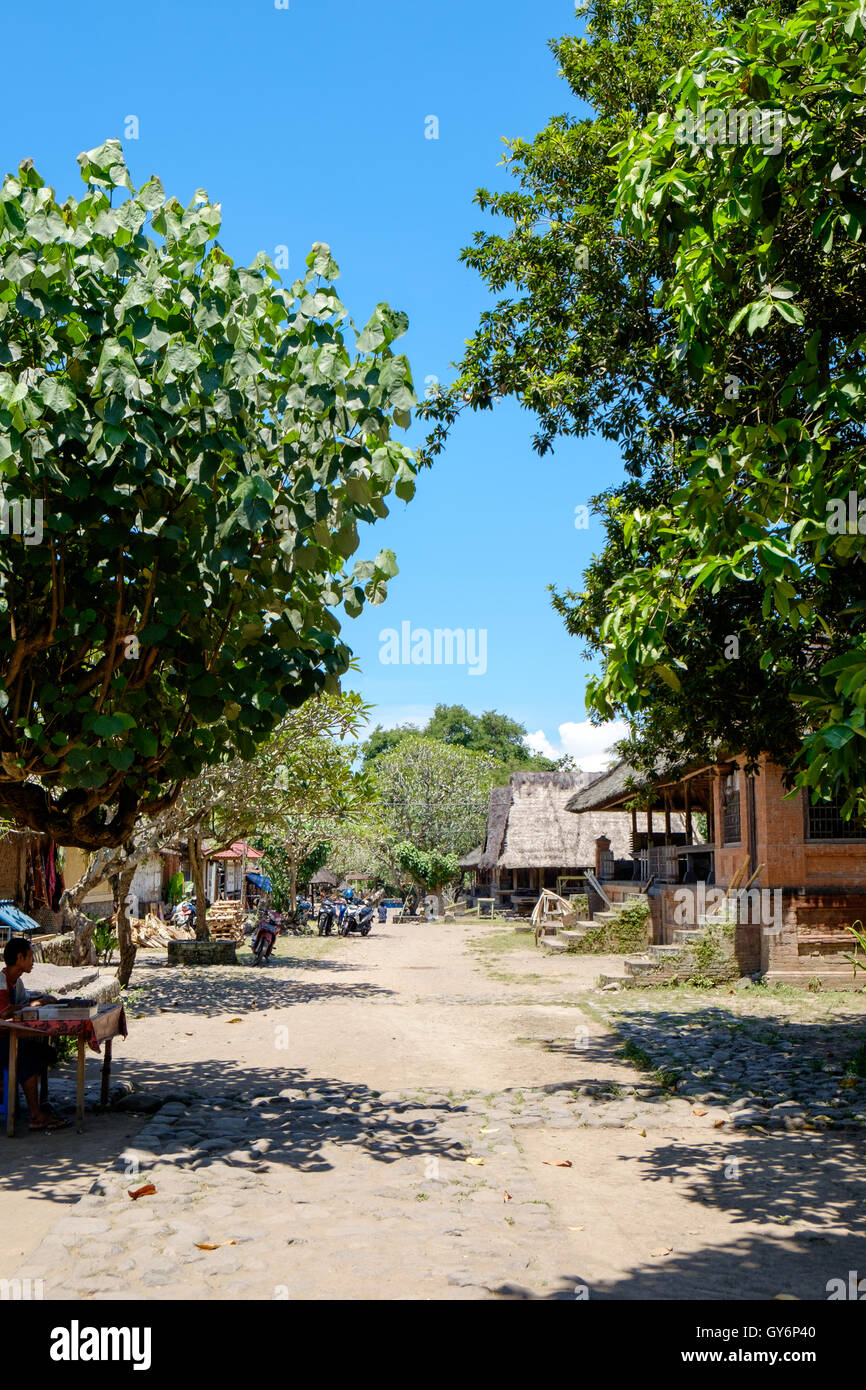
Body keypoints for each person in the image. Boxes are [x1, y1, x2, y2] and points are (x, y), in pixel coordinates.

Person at [0, 937, 68, 1131]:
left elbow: (25, 1000)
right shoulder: (1, 981)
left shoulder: (17, 983)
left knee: (44, 1052)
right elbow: (4, 1012)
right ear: (20, 957)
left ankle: (39, 1105)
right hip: (2, 1041)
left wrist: (42, 998)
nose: (33, 961)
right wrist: (35, 1005)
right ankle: (36, 1116)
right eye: (30, 956)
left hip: (9, 1039)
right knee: (28, 1057)